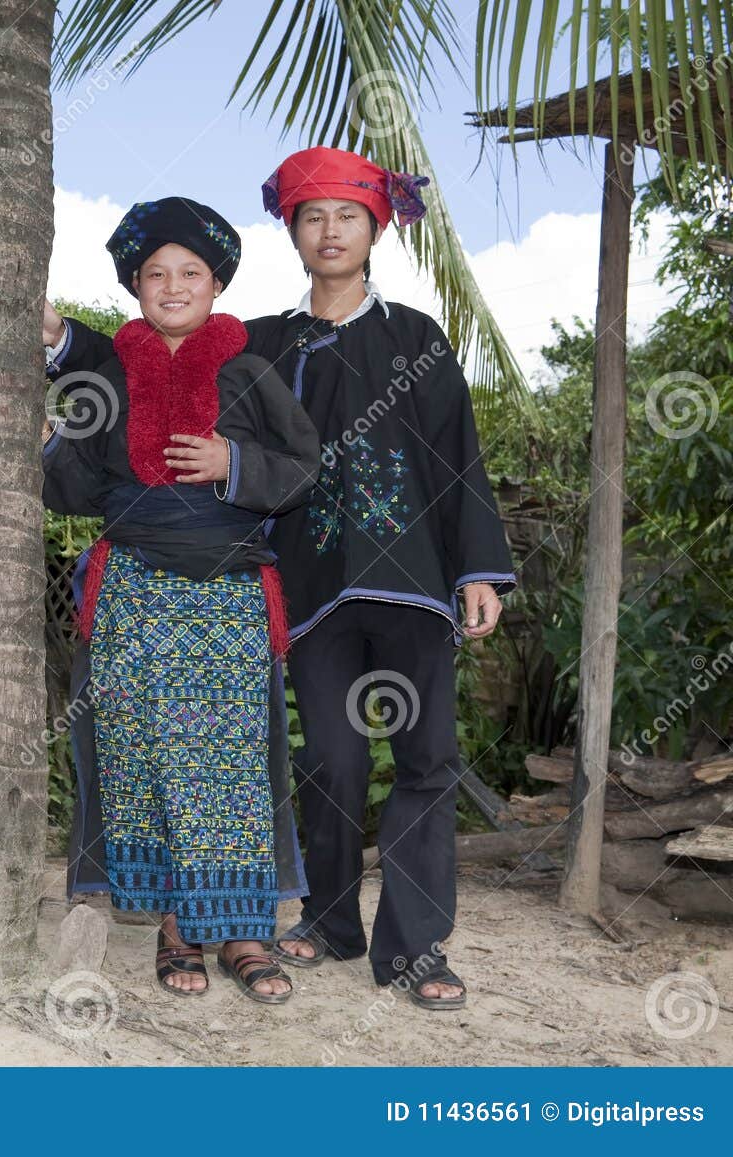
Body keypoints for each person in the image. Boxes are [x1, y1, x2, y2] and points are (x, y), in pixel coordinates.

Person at [249, 146, 516, 1009]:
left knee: (426, 759)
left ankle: (416, 949)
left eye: (348, 216)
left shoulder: (416, 340)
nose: (330, 232)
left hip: (412, 584)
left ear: (376, 229)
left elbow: (457, 460)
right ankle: (328, 920)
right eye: (313, 216)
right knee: (330, 755)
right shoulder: (261, 345)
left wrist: (478, 570)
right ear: (291, 230)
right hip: (313, 587)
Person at [40, 198, 319, 1002]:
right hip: (134, 592)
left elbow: (303, 466)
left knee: (230, 763)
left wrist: (235, 461)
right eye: (155, 272)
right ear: (133, 284)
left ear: (217, 282)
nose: (172, 285)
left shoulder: (250, 368)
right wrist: (51, 445)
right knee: (149, 760)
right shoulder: (109, 372)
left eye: (189, 272)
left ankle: (242, 930)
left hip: (228, 595)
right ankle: (175, 928)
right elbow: (80, 487)